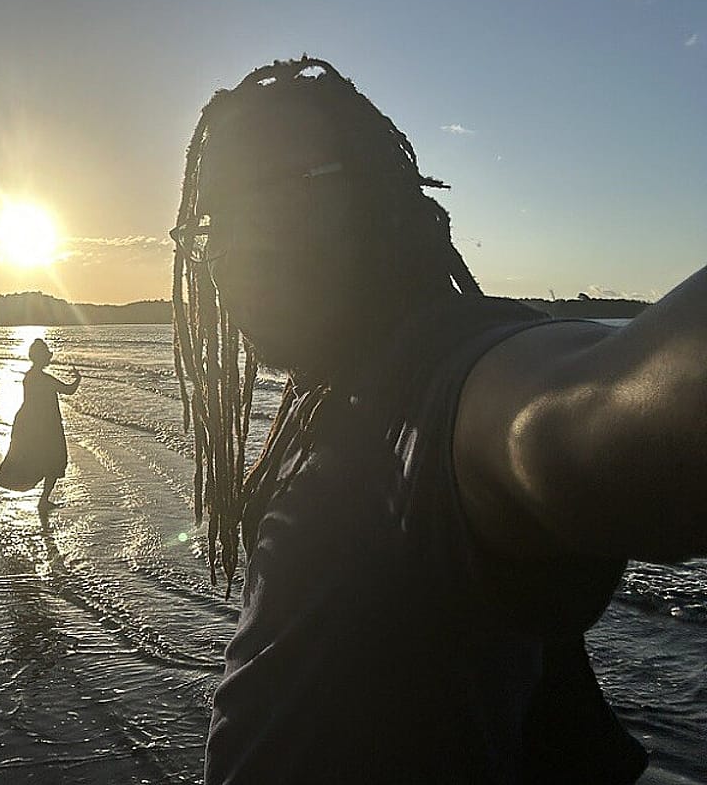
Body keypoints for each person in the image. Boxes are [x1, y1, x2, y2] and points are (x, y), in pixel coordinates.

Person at [169, 56, 707, 784]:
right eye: (215, 226)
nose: (234, 252)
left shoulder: (444, 377)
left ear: (379, 202)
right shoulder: (321, 392)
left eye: (276, 201)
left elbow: (596, 411)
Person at [0, 338, 81, 513]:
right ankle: (43, 501)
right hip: (44, 427)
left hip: (26, 423)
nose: (49, 359)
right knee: (53, 459)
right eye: (46, 355)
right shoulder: (44, 379)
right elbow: (69, 390)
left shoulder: (29, 376)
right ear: (42, 358)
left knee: (17, 460)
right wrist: (78, 379)